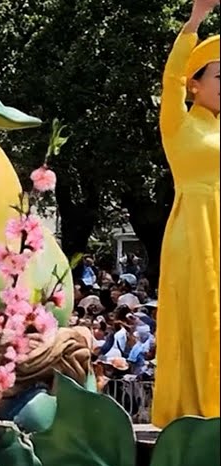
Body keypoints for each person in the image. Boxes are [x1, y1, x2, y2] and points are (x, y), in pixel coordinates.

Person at [153, 0, 220, 426]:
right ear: (194, 85)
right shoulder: (180, 123)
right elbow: (171, 77)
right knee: (202, 314)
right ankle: (198, 412)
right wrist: (194, 22)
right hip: (195, 228)